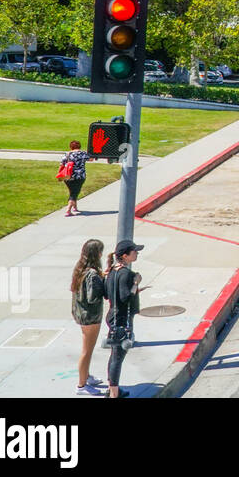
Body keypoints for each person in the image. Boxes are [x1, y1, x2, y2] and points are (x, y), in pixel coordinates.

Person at [104, 239, 144, 399]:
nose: (137, 253)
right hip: (122, 319)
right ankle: (114, 394)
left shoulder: (112, 271)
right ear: (125, 255)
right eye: (134, 251)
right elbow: (125, 297)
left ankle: (112, 389)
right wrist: (136, 284)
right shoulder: (126, 273)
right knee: (118, 357)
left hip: (113, 316)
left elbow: (107, 294)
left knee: (115, 354)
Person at [70, 239, 108, 395]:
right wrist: (103, 281)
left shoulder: (80, 268)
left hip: (81, 314)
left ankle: (85, 375)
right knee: (87, 351)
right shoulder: (92, 274)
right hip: (90, 317)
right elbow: (94, 297)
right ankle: (81, 385)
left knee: (88, 350)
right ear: (97, 254)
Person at [60, 140, 89, 216]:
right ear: (79, 146)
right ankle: (68, 210)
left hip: (68, 176)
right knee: (74, 193)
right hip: (79, 176)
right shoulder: (83, 153)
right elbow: (91, 159)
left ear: (71, 147)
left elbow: (62, 164)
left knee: (72, 191)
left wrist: (60, 174)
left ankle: (75, 207)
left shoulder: (67, 154)